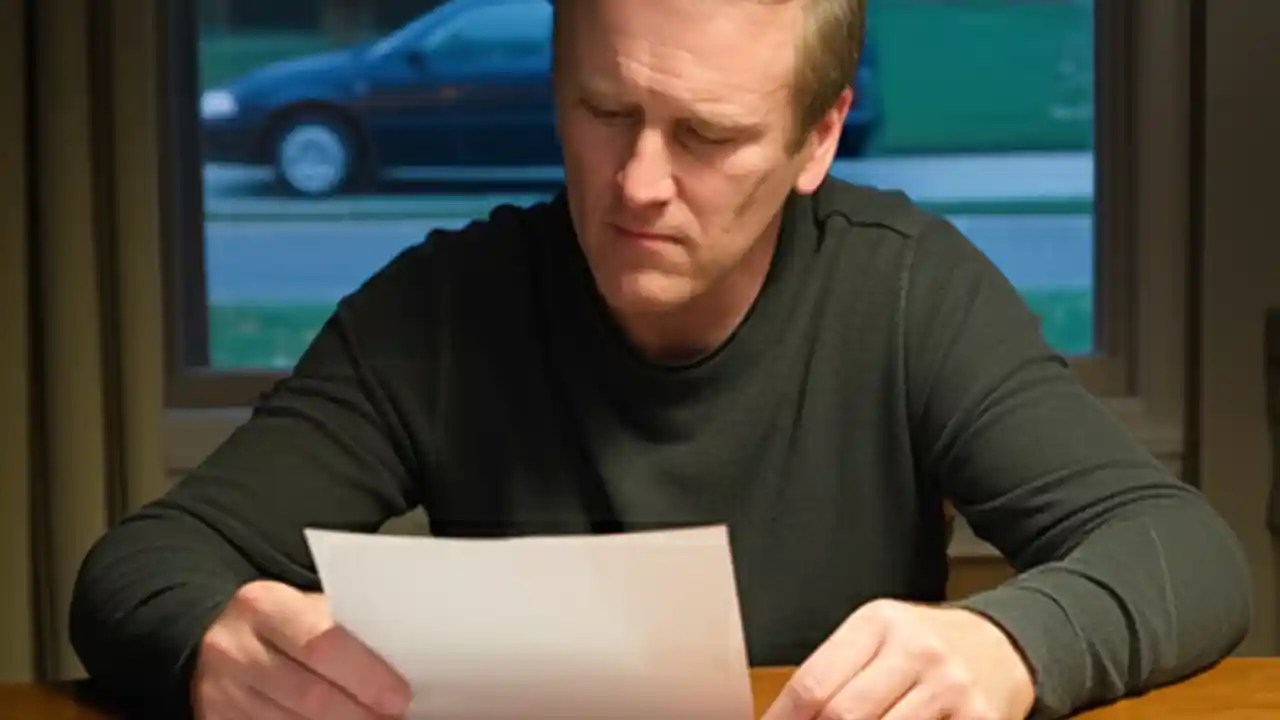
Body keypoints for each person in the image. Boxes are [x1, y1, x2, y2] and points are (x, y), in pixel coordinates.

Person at [70, 0, 1251, 718]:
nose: (637, 185)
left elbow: (1184, 550)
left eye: (706, 136)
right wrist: (206, 646)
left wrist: (1008, 643)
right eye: (601, 110)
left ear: (817, 135)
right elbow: (142, 567)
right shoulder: (441, 307)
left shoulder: (904, 290)